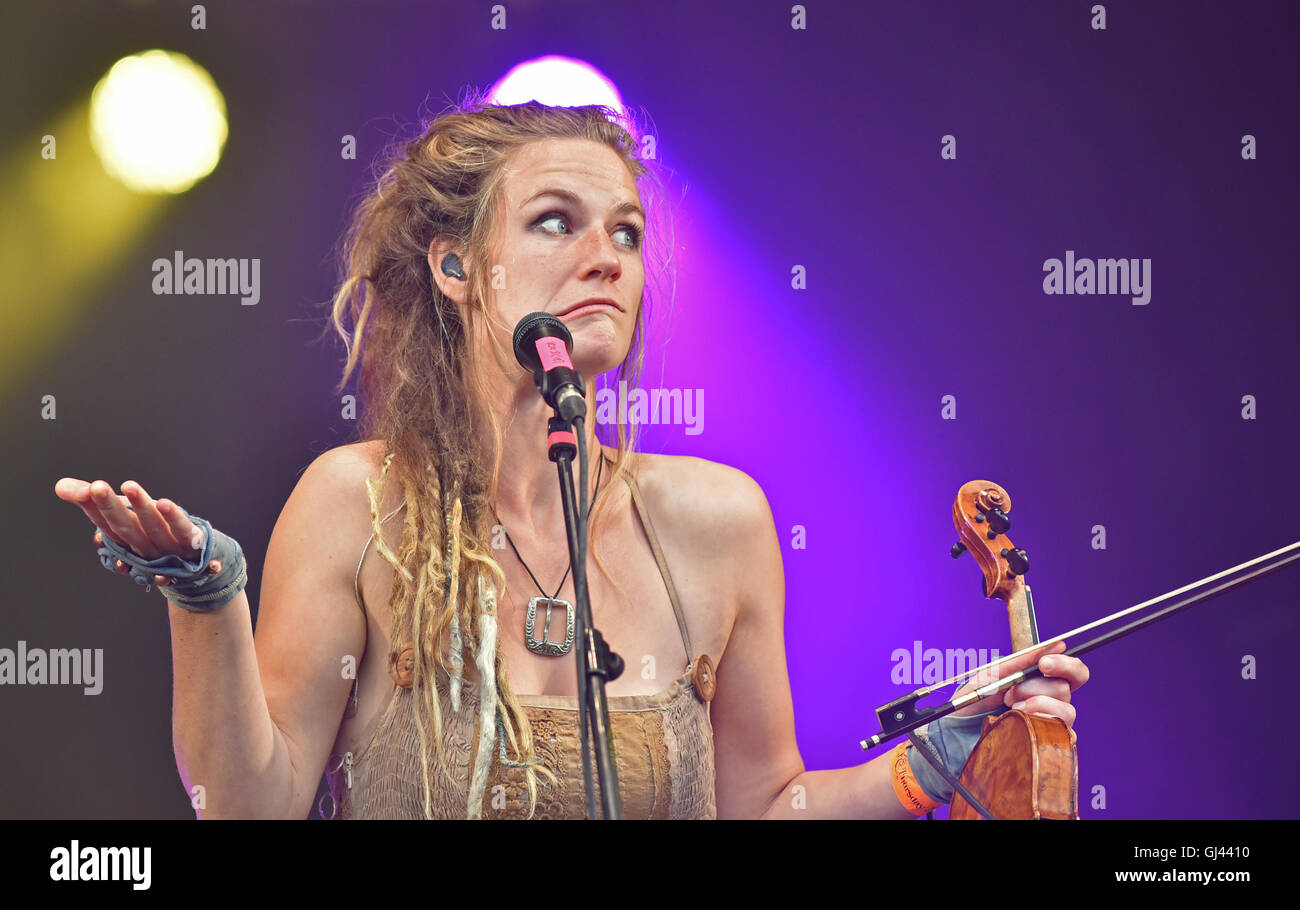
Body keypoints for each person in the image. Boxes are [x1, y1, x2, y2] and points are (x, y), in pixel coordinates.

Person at [54, 96, 1089, 819]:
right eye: (556, 221)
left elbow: (764, 804)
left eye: (629, 233)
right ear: (456, 264)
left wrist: (924, 767)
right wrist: (204, 599)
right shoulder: (356, 503)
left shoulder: (718, 518)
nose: (609, 256)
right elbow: (248, 809)